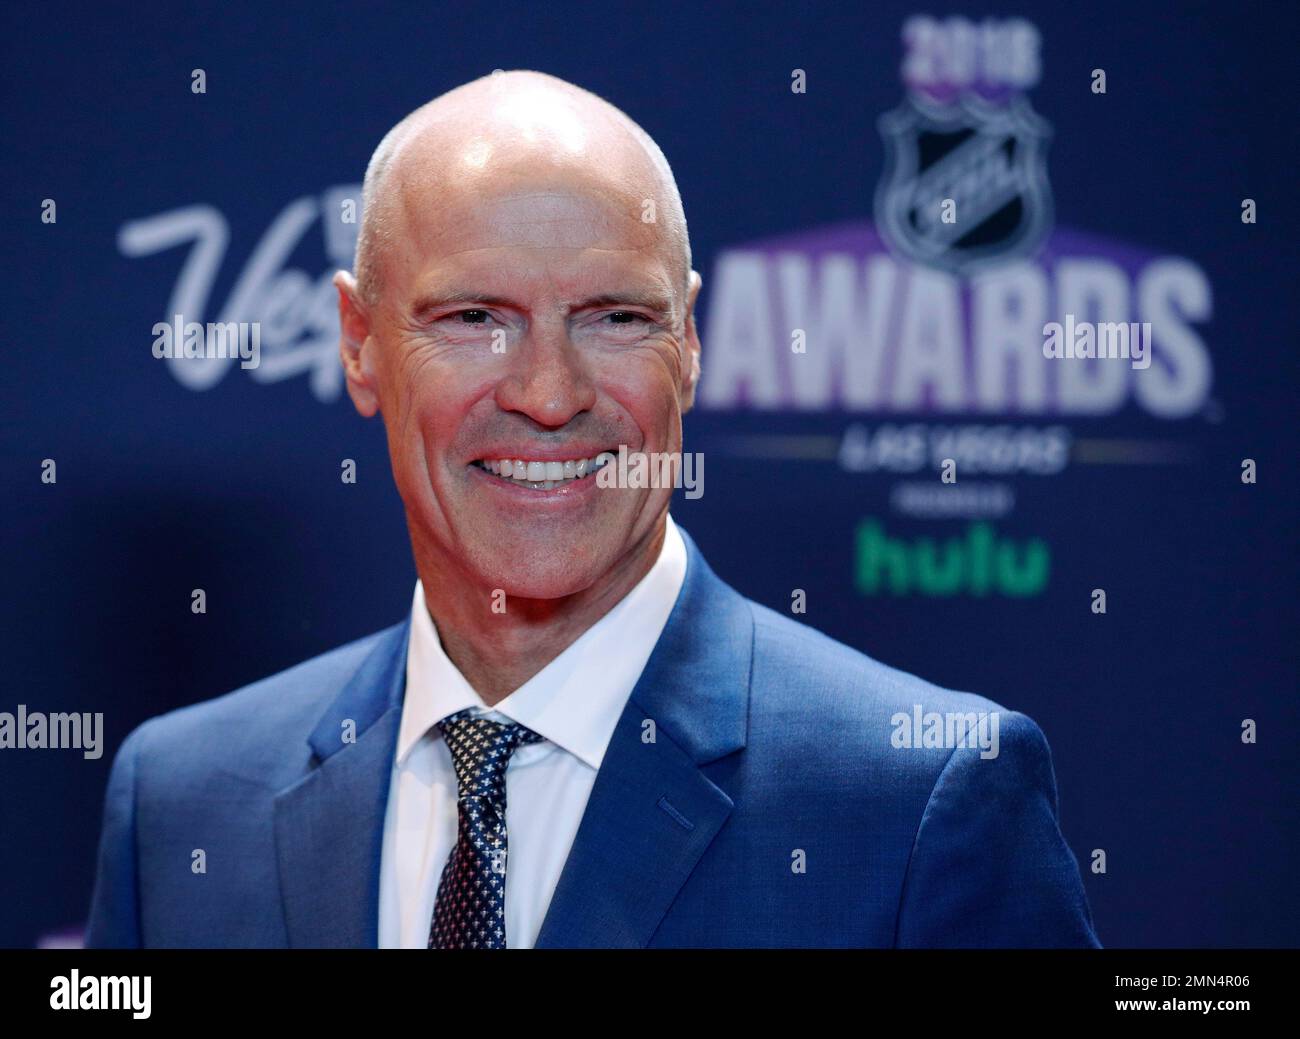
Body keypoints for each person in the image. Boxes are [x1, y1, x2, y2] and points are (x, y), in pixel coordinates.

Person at [85, 70, 1100, 949]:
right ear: (358, 340)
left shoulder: (919, 800)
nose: (548, 391)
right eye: (473, 318)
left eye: (615, 318)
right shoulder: (181, 800)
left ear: (691, 343)